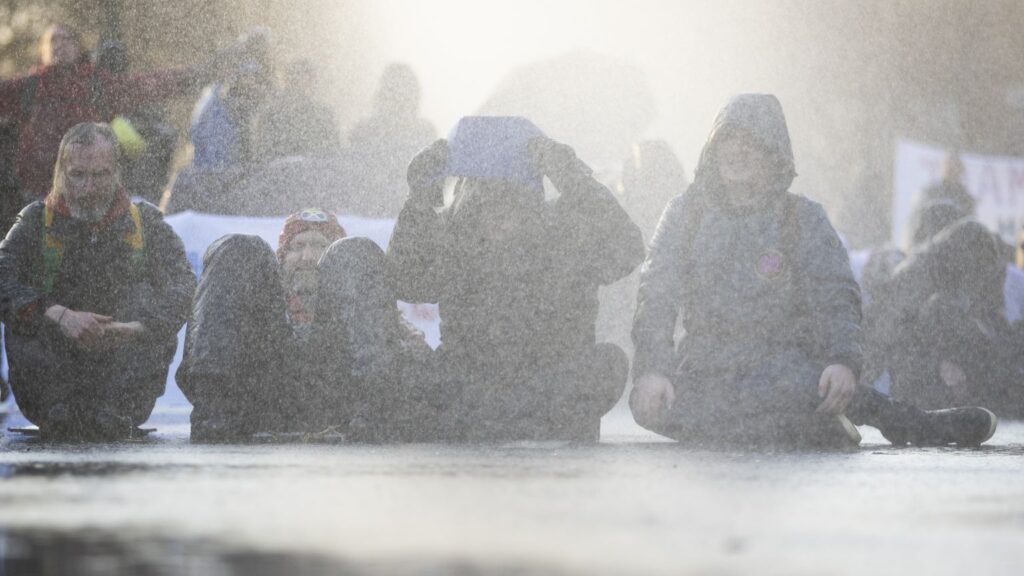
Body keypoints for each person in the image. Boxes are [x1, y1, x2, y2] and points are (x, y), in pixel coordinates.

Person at [630, 94, 997, 449]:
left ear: (772, 152)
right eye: (728, 138)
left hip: (786, 368)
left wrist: (842, 362)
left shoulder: (803, 218)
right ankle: (805, 426)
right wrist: (652, 369)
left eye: (750, 141)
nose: (736, 150)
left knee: (806, 390)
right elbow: (656, 295)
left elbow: (836, 295)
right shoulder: (684, 214)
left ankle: (915, 425)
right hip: (707, 373)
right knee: (649, 407)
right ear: (713, 145)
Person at [387, 116, 645, 442]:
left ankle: (503, 422)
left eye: (507, 202)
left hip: (549, 388)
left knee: (609, 363)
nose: (497, 217)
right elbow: (407, 280)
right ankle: (507, 421)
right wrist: (420, 199)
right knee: (407, 371)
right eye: (486, 204)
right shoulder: (458, 240)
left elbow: (627, 248)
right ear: (471, 205)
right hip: (475, 388)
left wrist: (572, 177)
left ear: (526, 203)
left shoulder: (563, 232)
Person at [0, 122, 195, 440]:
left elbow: (185, 285)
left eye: (100, 175)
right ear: (61, 173)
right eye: (78, 176)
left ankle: (116, 407)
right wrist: (61, 316)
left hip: (123, 384)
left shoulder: (145, 222)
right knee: (26, 305)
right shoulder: (36, 221)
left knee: (142, 294)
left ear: (117, 172)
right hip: (49, 388)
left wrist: (138, 328)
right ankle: (60, 408)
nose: (88, 189)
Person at [176, 208, 432, 442]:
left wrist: (408, 347)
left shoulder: (363, 307)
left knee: (358, 249)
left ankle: (375, 416)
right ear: (282, 259)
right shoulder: (260, 306)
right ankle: (214, 411)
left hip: (339, 396)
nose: (308, 256)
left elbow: (407, 351)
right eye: (297, 246)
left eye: (321, 246)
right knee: (238, 247)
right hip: (267, 395)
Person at [0, 25, 224, 215]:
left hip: (89, 198)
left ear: (79, 47)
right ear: (43, 50)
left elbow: (151, 84)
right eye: (53, 39)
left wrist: (203, 73)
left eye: (66, 38)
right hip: (36, 198)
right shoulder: (27, 88)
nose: (59, 44)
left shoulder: (97, 86)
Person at [863, 214, 1022, 417]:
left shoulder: (967, 283)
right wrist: (937, 364)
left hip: (959, 389)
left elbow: (995, 339)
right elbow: (888, 344)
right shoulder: (919, 288)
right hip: (922, 397)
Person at [348, 63, 437, 216]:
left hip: (409, 212)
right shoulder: (363, 130)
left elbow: (433, 176)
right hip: (369, 210)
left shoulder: (425, 131)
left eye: (403, 91)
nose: (398, 97)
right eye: (393, 90)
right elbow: (353, 175)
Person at [255, 58, 341, 162]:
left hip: (313, 173)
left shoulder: (323, 114)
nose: (303, 84)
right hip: (284, 174)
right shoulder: (272, 115)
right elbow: (264, 155)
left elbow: (333, 153)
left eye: (308, 79)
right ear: (288, 81)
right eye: (296, 78)